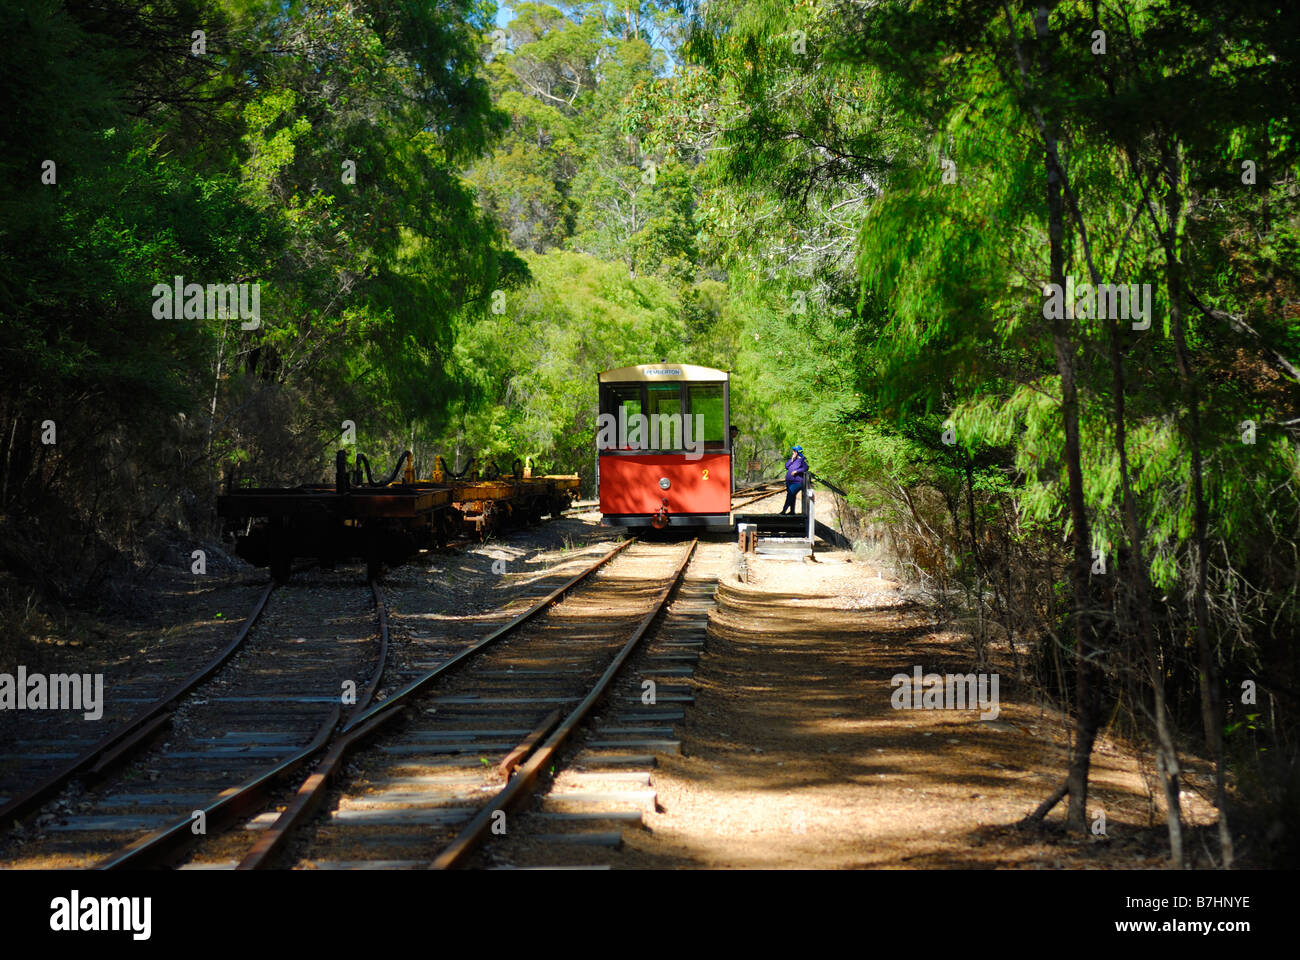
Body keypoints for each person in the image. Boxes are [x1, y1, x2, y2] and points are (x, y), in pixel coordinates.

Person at [780, 445, 808, 515]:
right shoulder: (793, 459)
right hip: (789, 481)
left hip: (797, 482)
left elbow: (806, 468)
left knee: (790, 494)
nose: (793, 452)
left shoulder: (802, 460)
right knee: (792, 495)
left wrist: (796, 471)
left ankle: (784, 511)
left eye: (794, 451)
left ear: (797, 452)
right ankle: (792, 511)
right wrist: (792, 460)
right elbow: (786, 466)